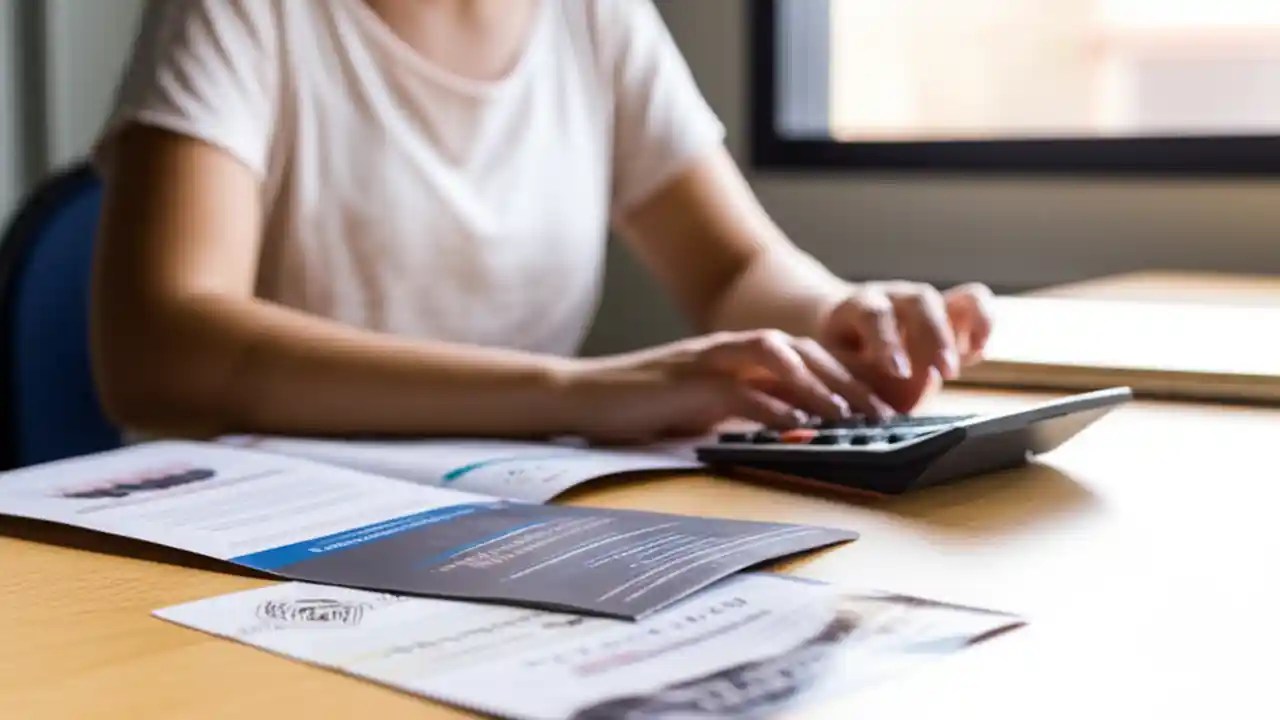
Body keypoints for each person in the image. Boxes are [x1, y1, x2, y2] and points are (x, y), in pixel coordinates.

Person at [92, 0, 993, 444]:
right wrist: (581, 393)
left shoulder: (590, 14)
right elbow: (160, 352)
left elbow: (730, 267)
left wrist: (833, 316)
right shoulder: (242, 15)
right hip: (248, 540)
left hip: (505, 510)